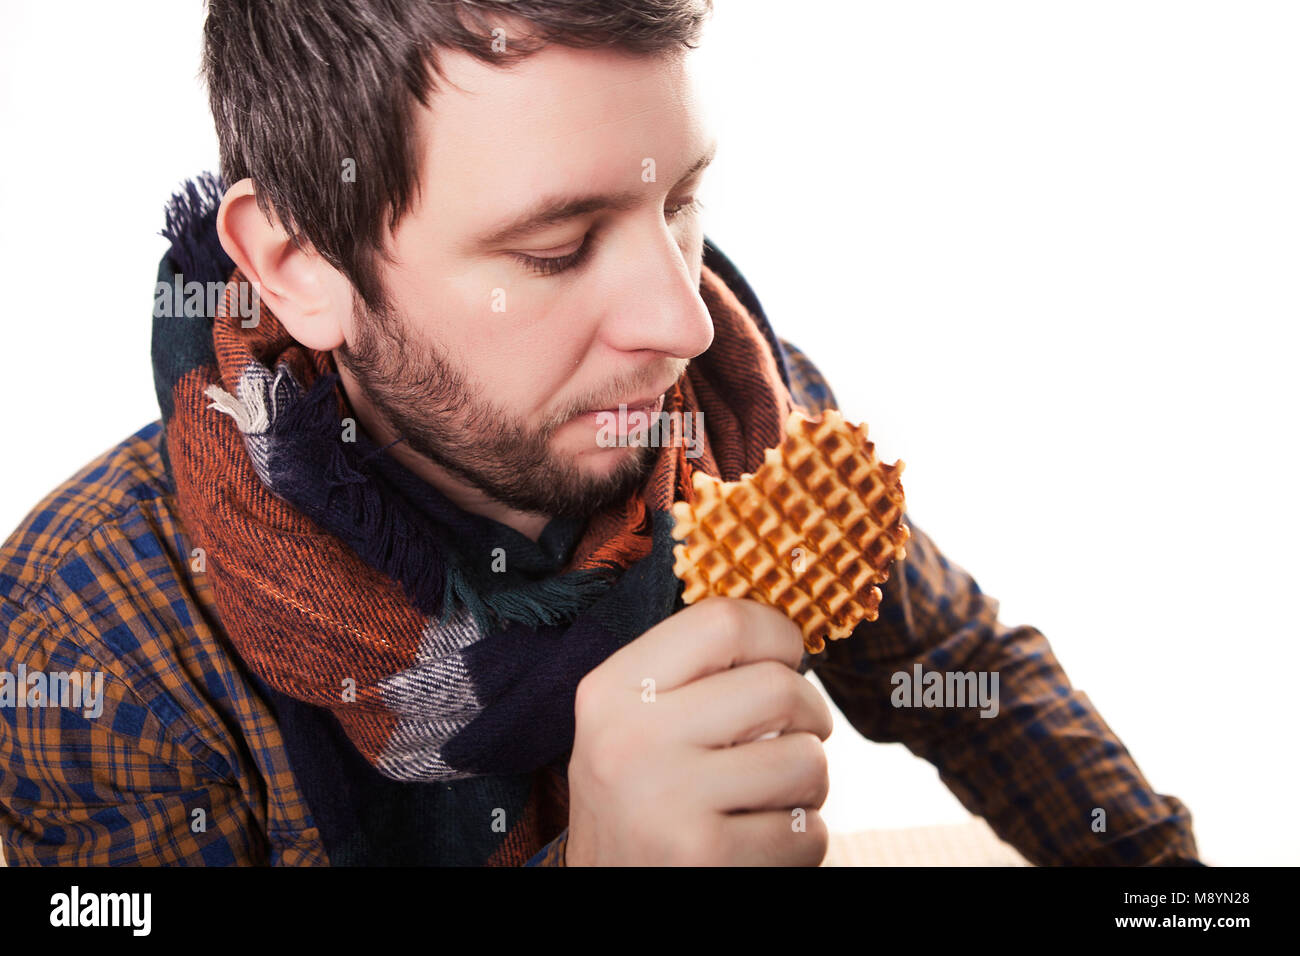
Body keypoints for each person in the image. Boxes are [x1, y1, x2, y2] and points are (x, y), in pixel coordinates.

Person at [0, 0, 1200, 866]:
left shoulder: (747, 424)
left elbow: (972, 681)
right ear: (299, 264)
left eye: (677, 202)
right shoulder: (92, 642)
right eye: (555, 250)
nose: (680, 320)